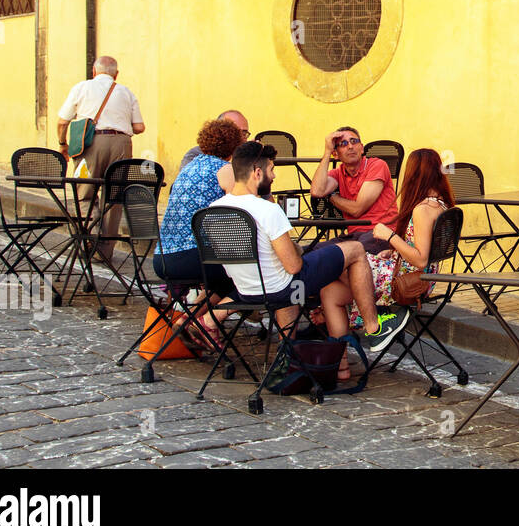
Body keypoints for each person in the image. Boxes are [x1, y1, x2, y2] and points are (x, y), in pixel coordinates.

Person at [201, 143, 409, 364]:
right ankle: (374, 326)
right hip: (282, 288)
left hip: (245, 289)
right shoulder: (267, 210)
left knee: (321, 273)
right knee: (355, 250)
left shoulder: (213, 209)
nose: (274, 176)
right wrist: (294, 249)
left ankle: (292, 358)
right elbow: (293, 266)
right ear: (257, 173)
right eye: (271, 170)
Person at [152, 119, 246, 333]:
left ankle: (186, 321)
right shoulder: (224, 170)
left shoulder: (191, 166)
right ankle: (198, 324)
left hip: (163, 257)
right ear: (234, 145)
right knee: (245, 271)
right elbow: (246, 208)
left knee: (226, 275)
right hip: (191, 257)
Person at [349, 148, 455, 330]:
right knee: (355, 264)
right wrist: (394, 250)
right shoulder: (442, 204)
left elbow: (421, 260)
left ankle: (372, 325)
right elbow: (424, 248)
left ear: (413, 175)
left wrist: (390, 236)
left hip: (411, 280)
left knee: (351, 267)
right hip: (425, 277)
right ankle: (363, 321)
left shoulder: (423, 209)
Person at [55, 55, 145, 254]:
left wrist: (63, 144)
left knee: (84, 192)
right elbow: (139, 127)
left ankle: (90, 237)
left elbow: (62, 121)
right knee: (114, 197)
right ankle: (104, 250)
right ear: (116, 74)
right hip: (122, 146)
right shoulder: (126, 92)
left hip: (91, 145)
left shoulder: (82, 88)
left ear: (94, 72)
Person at [309, 126, 399, 249]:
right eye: (343, 144)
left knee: (339, 253)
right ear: (336, 154)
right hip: (354, 236)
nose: (350, 146)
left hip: (381, 234)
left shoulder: (377, 165)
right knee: (311, 251)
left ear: (361, 148)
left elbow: (357, 209)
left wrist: (331, 196)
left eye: (354, 141)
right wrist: (327, 153)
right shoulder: (338, 173)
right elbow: (317, 191)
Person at [179, 110, 249, 173]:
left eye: (244, 133)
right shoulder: (196, 155)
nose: (240, 138)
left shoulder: (245, 156)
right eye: (234, 132)